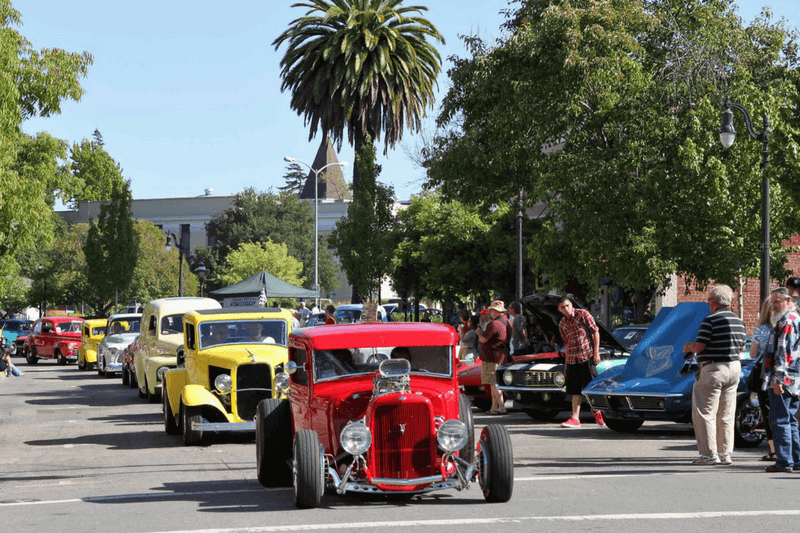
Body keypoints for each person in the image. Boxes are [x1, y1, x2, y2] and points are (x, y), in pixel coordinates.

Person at [682, 284, 746, 465]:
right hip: (734, 368)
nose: (708, 303)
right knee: (726, 413)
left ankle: (709, 454)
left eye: (709, 300)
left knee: (705, 413)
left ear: (713, 301)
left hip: (713, 369)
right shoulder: (738, 321)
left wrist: (688, 346)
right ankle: (725, 453)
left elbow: (699, 346)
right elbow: (742, 346)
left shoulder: (710, 320)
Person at [763, 287, 800, 473]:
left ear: (788, 300)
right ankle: (796, 459)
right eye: (773, 302)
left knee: (780, 420)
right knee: (790, 420)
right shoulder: (795, 318)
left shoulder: (787, 321)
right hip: (794, 378)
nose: (774, 305)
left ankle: (785, 462)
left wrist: (778, 379)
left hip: (784, 378)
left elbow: (782, 352)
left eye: (777, 301)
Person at [556, 296, 604, 428]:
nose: (566, 309)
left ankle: (597, 411)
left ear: (571, 305)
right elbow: (567, 344)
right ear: (559, 309)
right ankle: (575, 418)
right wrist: (566, 365)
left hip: (587, 356)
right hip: (572, 359)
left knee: (592, 387)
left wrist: (596, 353)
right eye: (562, 307)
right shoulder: (562, 323)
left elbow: (595, 332)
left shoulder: (582, 314)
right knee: (575, 390)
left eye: (567, 305)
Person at [750, 298, 777, 462]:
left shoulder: (761, 330)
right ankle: (789, 450)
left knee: (767, 411)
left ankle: (774, 451)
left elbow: (753, 354)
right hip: (786, 374)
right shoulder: (789, 326)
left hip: (765, 373)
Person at [477, 300, 508, 415]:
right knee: (493, 383)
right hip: (497, 356)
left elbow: (483, 339)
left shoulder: (494, 324)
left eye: (493, 310)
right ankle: (494, 407)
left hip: (492, 357)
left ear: (497, 311)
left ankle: (501, 406)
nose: (491, 312)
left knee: (494, 384)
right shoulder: (504, 322)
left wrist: (479, 333)